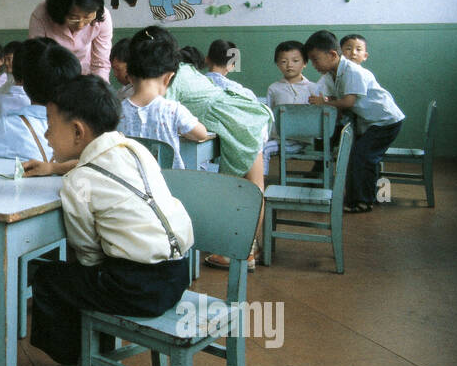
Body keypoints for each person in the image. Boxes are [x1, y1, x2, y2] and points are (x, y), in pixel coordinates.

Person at [29, 74, 193, 366]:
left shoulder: (77, 184)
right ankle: (90, 363)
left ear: (77, 131)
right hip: (178, 274)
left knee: (52, 277)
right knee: (87, 279)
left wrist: (64, 173)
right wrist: (54, 168)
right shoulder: (135, 149)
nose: (45, 135)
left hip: (136, 288)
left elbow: (87, 255)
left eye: (49, 125)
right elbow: (96, 163)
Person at [135, 25, 270, 267]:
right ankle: (250, 248)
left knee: (248, 189)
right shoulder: (185, 68)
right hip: (245, 114)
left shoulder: (170, 76)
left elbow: (157, 111)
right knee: (253, 186)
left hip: (238, 121)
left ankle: (243, 250)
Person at [305, 30, 405, 213]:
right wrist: (323, 100)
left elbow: (348, 102)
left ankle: (362, 201)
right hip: (371, 122)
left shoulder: (352, 71)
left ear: (332, 55)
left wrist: (325, 102)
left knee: (362, 156)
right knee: (361, 157)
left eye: (315, 59)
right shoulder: (331, 74)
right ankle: (366, 196)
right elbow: (319, 92)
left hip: (386, 121)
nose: (313, 64)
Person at [118, 34, 213, 169]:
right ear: (168, 78)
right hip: (168, 184)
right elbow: (201, 134)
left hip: (130, 184)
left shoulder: (116, 112)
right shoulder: (173, 110)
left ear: (130, 77)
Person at [28, 0, 112, 79]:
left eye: (87, 17)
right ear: (61, 11)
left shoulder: (102, 16)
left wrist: (99, 90)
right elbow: (37, 59)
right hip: (52, 75)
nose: (80, 25)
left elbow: (101, 64)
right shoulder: (41, 15)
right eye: (73, 18)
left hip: (85, 73)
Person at [264, 41, 322, 173]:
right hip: (279, 138)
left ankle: (259, 186)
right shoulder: (274, 88)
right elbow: (269, 116)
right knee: (260, 146)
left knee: (264, 149)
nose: (289, 65)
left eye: (295, 60)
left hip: (303, 140)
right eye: (284, 61)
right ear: (277, 64)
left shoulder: (313, 88)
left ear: (305, 63)